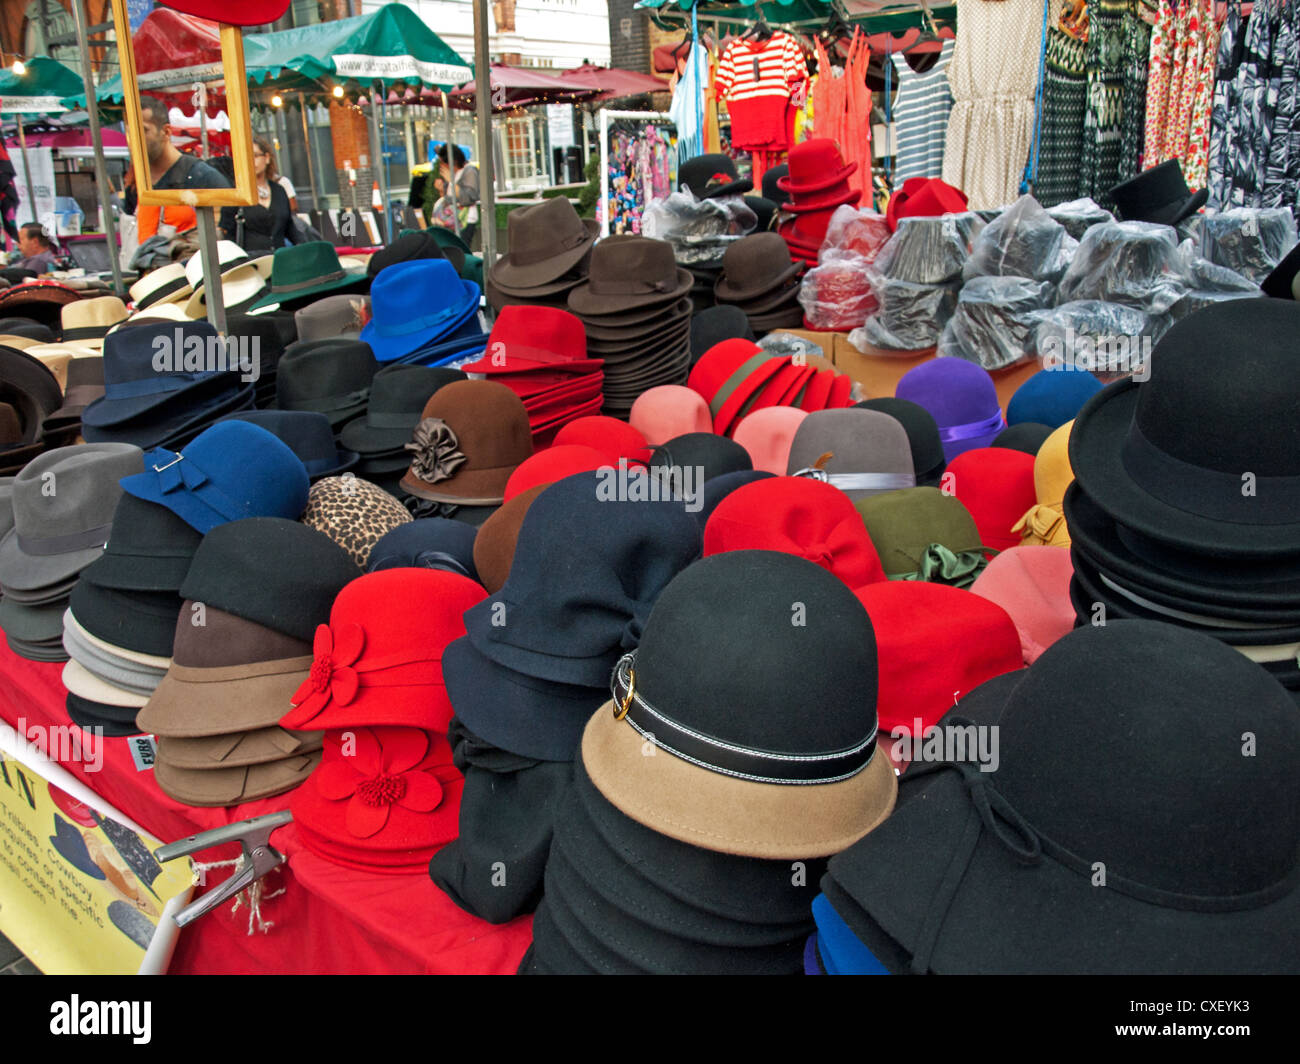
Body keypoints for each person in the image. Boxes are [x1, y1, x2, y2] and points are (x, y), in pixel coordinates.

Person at [134, 94, 231, 244]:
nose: (133, 139)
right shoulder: (141, 179)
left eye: (143, 131)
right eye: (129, 131)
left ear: (166, 132)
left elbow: (224, 232)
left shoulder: (200, 175)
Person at [227, 138, 292, 254]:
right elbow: (227, 234)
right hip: (250, 263)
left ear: (267, 158)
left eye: (255, 156)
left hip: (280, 261)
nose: (251, 161)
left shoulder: (279, 190)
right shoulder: (236, 194)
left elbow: (290, 229)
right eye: (246, 157)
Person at [427, 143, 480, 243]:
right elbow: (450, 199)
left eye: (443, 163)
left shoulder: (469, 171)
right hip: (450, 221)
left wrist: (451, 181)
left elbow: (468, 198)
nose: (442, 166)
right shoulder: (453, 174)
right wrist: (441, 190)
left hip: (465, 221)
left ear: (453, 162)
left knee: (461, 249)